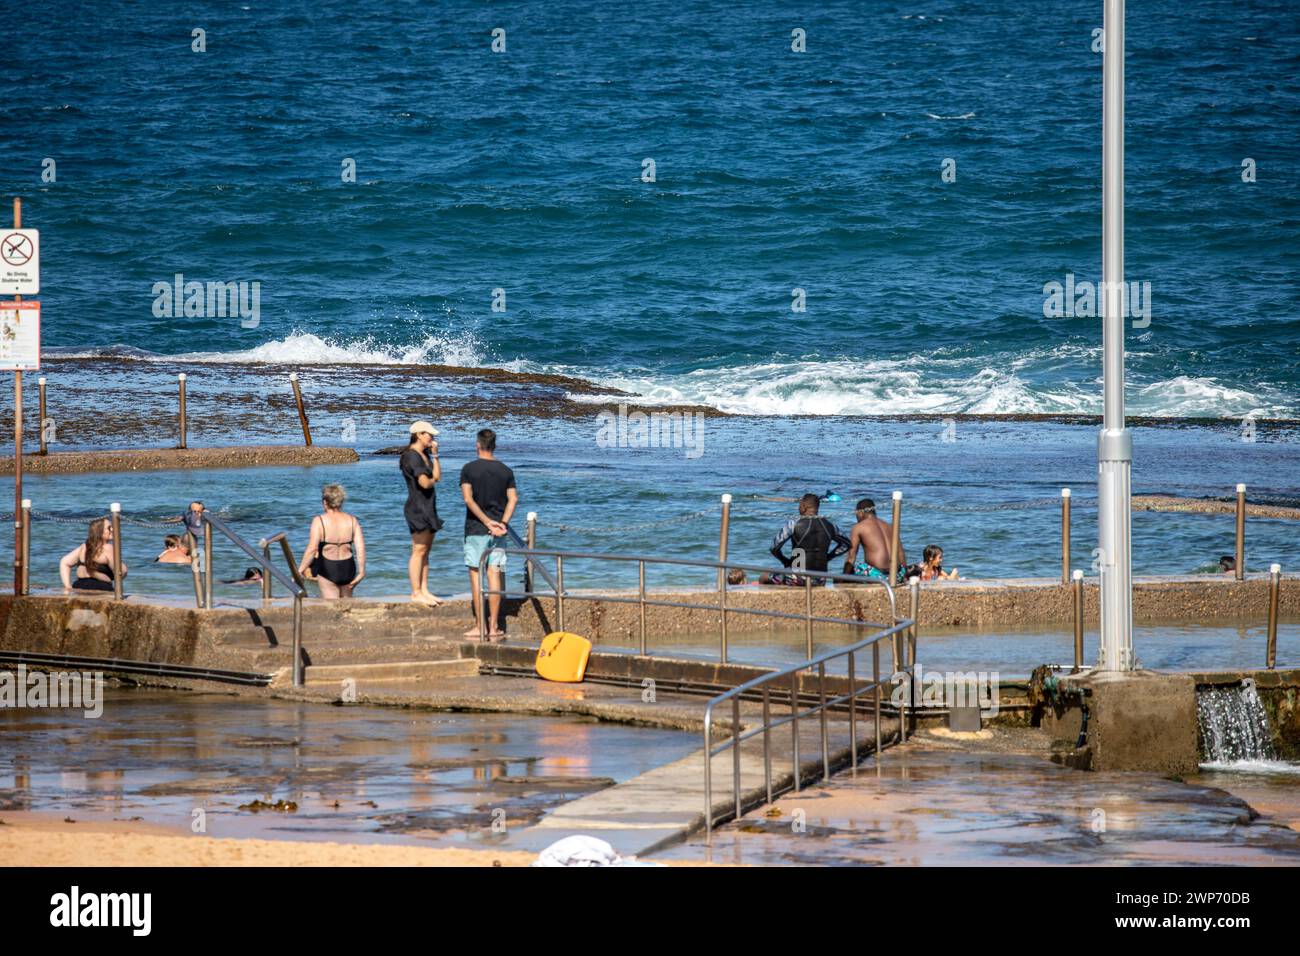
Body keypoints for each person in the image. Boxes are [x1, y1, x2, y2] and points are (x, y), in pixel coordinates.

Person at [460, 428, 518, 639]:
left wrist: (486, 521)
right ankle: (494, 627)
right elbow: (513, 499)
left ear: (477, 445)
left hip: (476, 529)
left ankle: (480, 626)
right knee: (495, 576)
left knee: (476, 577)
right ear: (494, 445)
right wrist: (502, 522)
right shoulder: (506, 471)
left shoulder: (469, 469)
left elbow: (468, 499)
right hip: (499, 531)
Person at [400, 421, 444, 606]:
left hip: (429, 507)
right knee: (418, 550)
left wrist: (435, 456)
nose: (432, 439)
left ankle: (424, 589)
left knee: (426, 551)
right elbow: (425, 483)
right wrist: (432, 479)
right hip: (417, 508)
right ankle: (416, 591)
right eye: (429, 435)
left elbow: (437, 476)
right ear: (419, 434)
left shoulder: (424, 455)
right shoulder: (411, 456)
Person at [766, 493, 851, 586]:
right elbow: (847, 544)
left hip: (796, 577)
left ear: (803, 506)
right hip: (820, 578)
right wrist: (829, 557)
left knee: (764, 577)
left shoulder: (793, 524)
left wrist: (784, 561)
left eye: (799, 505)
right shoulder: (830, 525)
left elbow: (774, 547)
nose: (798, 508)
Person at [298, 483, 366, 599]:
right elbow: (360, 548)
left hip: (328, 568)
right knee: (347, 606)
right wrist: (362, 571)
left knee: (331, 607)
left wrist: (300, 570)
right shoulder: (352, 520)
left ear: (325, 502)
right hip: (348, 567)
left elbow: (312, 549)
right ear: (341, 502)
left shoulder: (319, 521)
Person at [843, 498, 906, 582]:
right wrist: (904, 575)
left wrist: (844, 577)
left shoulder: (858, 527)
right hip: (897, 575)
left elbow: (851, 557)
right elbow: (901, 553)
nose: (856, 517)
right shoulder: (889, 526)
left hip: (877, 576)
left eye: (856, 514)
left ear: (860, 513)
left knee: (854, 569)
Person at [59, 518, 127, 592]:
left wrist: (68, 587)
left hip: (78, 587)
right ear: (100, 532)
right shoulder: (107, 548)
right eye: (109, 527)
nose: (113, 529)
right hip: (100, 588)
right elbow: (120, 573)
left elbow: (64, 562)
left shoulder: (84, 546)